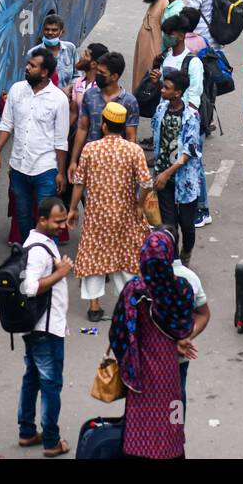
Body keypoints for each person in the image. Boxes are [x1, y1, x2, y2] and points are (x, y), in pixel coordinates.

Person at [108, 231, 195, 461]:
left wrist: (127, 360)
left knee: (139, 423)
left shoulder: (133, 290)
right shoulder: (182, 289)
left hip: (140, 376)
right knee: (173, 419)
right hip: (170, 374)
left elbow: (117, 335)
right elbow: (185, 328)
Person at [69, 100, 150, 320]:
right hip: (125, 214)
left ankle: (94, 307)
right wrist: (140, 205)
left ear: (104, 125)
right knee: (127, 257)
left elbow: (79, 182)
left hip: (97, 215)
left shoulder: (90, 149)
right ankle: (129, 304)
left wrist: (73, 208)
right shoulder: (134, 150)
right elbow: (146, 183)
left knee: (93, 257)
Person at [14, 197, 72, 457]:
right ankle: (51, 440)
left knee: (33, 379)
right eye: (58, 221)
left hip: (38, 328)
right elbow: (30, 287)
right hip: (45, 330)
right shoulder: (37, 250)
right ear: (42, 220)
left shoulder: (42, 244)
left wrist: (58, 268)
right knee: (51, 385)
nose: (62, 225)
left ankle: (27, 431)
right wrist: (60, 274)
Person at [0, 50, 69, 238]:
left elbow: (61, 140)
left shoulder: (58, 99)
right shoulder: (17, 90)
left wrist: (61, 172)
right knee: (23, 214)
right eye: (28, 63)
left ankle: (49, 258)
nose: (27, 67)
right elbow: (7, 123)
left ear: (44, 72)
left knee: (47, 218)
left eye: (32, 65)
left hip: (46, 169)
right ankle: (29, 252)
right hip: (18, 166)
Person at [151, 71, 205, 265]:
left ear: (178, 93)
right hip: (163, 176)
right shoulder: (161, 109)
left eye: (167, 87)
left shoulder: (191, 116)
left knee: (187, 225)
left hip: (185, 179)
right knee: (169, 225)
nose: (162, 89)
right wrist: (160, 172)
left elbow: (190, 150)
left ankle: (186, 252)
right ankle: (174, 263)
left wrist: (167, 173)